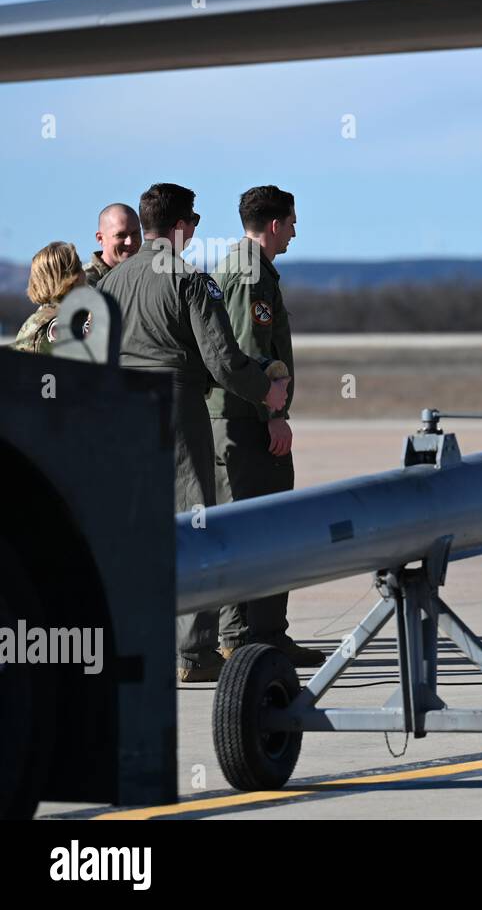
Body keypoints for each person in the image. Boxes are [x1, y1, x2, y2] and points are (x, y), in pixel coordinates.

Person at [98, 183, 290, 682]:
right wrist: (265, 393)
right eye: (196, 222)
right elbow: (224, 360)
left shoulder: (110, 284)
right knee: (194, 523)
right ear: (182, 226)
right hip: (175, 407)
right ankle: (193, 652)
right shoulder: (189, 280)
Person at [206, 186, 324, 667]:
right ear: (274, 223)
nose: (295, 230)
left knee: (243, 525)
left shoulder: (231, 267)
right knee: (265, 527)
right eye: (292, 221)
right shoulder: (252, 275)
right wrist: (273, 415)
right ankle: (250, 636)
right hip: (248, 420)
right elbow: (250, 352)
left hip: (233, 417)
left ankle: (256, 634)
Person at [10, 242, 85, 355]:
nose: (83, 273)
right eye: (78, 267)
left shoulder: (41, 318)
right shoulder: (61, 323)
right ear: (71, 277)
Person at [82, 203, 142, 286]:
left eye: (135, 233)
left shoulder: (149, 274)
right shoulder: (83, 283)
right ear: (100, 238)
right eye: (121, 235)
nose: (130, 241)